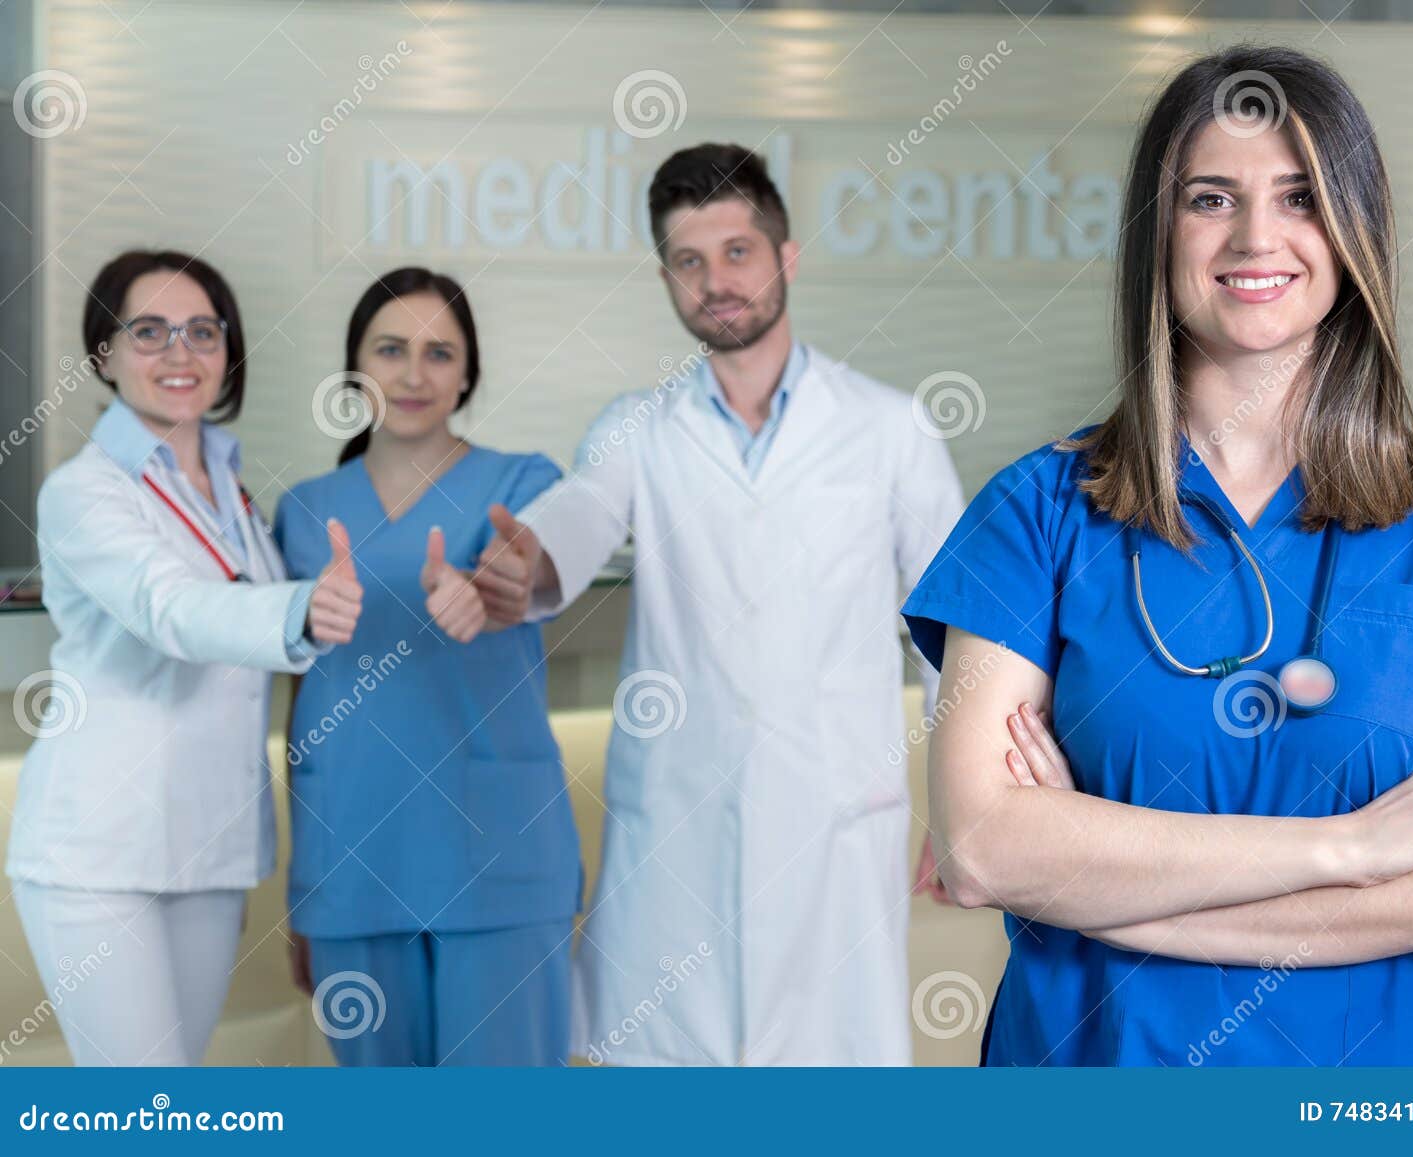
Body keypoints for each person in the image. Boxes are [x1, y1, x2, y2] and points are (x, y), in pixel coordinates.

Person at [902, 44, 1413, 1067]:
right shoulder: (1037, 512)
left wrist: (1102, 888)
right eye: (1211, 198)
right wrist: (1353, 848)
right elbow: (982, 843)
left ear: (1354, 229)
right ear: (1159, 233)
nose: (1256, 236)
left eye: (1301, 197)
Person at [475, 143, 965, 1065]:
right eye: (689, 261)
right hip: (679, 823)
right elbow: (582, 512)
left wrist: (958, 798)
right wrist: (527, 562)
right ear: (666, 277)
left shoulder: (888, 427)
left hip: (834, 821)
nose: (715, 282)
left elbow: (953, 632)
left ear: (786, 256)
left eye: (737, 251)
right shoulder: (637, 427)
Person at [6, 250, 362, 1065]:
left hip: (205, 850)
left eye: (203, 331)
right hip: (101, 853)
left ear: (227, 351)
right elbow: (168, 608)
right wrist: (301, 605)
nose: (181, 352)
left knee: (176, 1104)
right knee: (146, 1114)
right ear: (105, 352)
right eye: (150, 330)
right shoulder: (85, 490)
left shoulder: (232, 490)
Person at [275, 267, 581, 1066]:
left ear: (468, 373)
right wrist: (302, 886)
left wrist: (501, 582)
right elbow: (301, 698)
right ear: (355, 369)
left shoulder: (521, 486)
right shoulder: (303, 509)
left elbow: (536, 558)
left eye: (440, 352)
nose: (414, 373)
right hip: (351, 861)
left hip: (500, 862)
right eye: (391, 349)